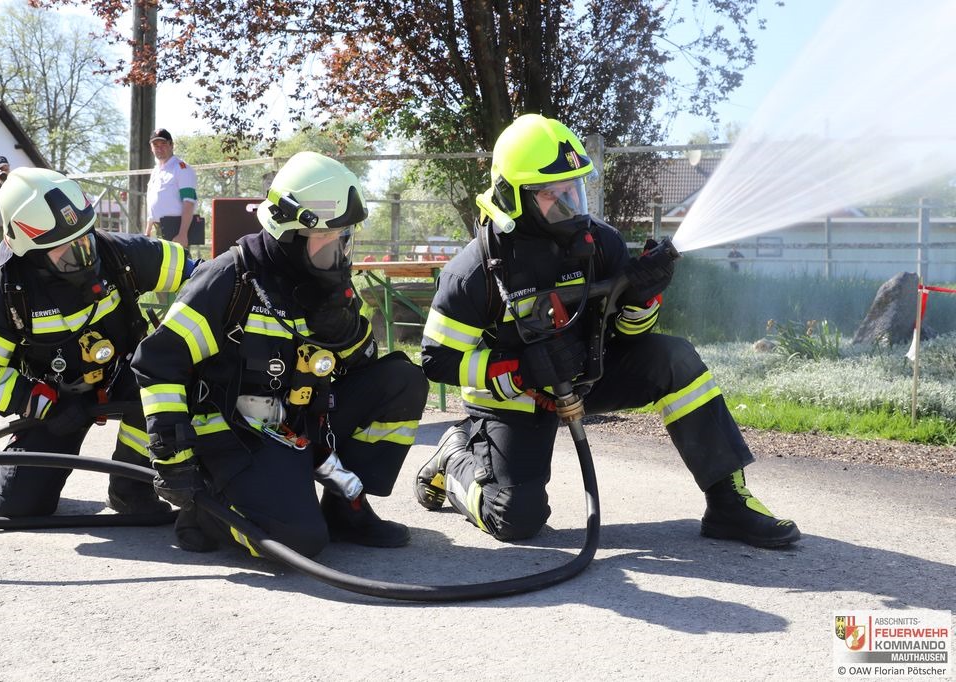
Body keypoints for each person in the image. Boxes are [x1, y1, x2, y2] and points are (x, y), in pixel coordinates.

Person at [416, 114, 800, 549]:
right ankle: (454, 460)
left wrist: (642, 298)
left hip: (585, 377)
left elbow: (630, 335)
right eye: (553, 195)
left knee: (674, 359)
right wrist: (520, 370)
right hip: (516, 399)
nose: (572, 205)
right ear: (514, 198)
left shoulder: (602, 244)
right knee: (514, 518)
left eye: (574, 190)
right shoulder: (474, 272)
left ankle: (728, 502)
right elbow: (437, 360)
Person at [131, 151, 429, 557]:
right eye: (331, 238)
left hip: (301, 422)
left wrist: (345, 330)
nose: (342, 251)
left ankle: (346, 508)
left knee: (401, 381)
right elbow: (158, 362)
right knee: (300, 541)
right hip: (238, 433)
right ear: (291, 231)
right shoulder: (229, 279)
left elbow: (363, 360)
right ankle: (209, 513)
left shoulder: (325, 279)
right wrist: (173, 457)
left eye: (346, 238)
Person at [0, 167, 196, 517]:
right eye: (66, 251)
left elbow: (202, 276)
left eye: (86, 240)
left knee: (158, 389)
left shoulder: (117, 255)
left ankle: (130, 489)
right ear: (30, 251)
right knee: (18, 508)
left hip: (125, 375)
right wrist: (41, 404)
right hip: (56, 401)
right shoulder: (4, 297)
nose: (85, 257)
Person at [145, 128, 197, 248]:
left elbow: (189, 202)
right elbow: (152, 204)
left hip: (175, 230)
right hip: (156, 230)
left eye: (163, 144)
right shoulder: (155, 171)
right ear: (151, 148)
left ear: (171, 145)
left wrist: (183, 234)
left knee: (176, 267)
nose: (159, 148)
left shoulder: (182, 168)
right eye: (155, 145)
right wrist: (147, 231)